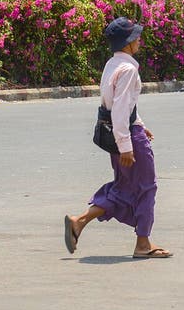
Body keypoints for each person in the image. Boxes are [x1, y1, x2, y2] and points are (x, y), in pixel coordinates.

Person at [64, 17, 173, 259]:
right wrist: (127, 145)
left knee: (124, 187)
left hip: (120, 134)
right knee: (146, 187)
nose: (139, 40)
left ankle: (79, 221)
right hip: (126, 138)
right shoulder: (128, 69)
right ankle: (143, 243)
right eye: (135, 37)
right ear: (128, 43)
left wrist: (139, 125)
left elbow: (119, 105)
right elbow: (121, 109)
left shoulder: (112, 65)